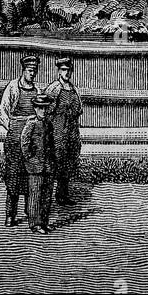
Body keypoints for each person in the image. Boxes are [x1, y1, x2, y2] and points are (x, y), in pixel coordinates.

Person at [0, 54, 40, 227]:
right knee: (13, 178)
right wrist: (13, 129)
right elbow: (2, 112)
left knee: (29, 177)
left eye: (34, 71)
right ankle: (10, 214)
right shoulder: (13, 87)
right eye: (30, 71)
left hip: (29, 143)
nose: (32, 74)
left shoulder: (37, 91)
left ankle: (29, 211)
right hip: (14, 141)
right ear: (23, 70)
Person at [44, 56, 83, 205]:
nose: (67, 73)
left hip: (71, 133)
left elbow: (79, 110)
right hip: (57, 133)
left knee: (68, 163)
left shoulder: (74, 89)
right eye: (64, 70)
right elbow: (46, 111)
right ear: (59, 71)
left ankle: (63, 194)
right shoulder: (54, 88)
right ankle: (48, 197)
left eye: (69, 70)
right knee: (56, 163)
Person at [20, 94, 57, 234]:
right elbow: (24, 144)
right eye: (40, 108)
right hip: (35, 166)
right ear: (35, 108)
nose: (43, 111)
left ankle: (44, 222)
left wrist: (52, 161)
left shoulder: (48, 123)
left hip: (47, 165)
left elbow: (51, 144)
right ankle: (35, 224)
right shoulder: (31, 124)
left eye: (45, 108)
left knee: (46, 196)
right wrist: (31, 159)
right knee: (35, 195)